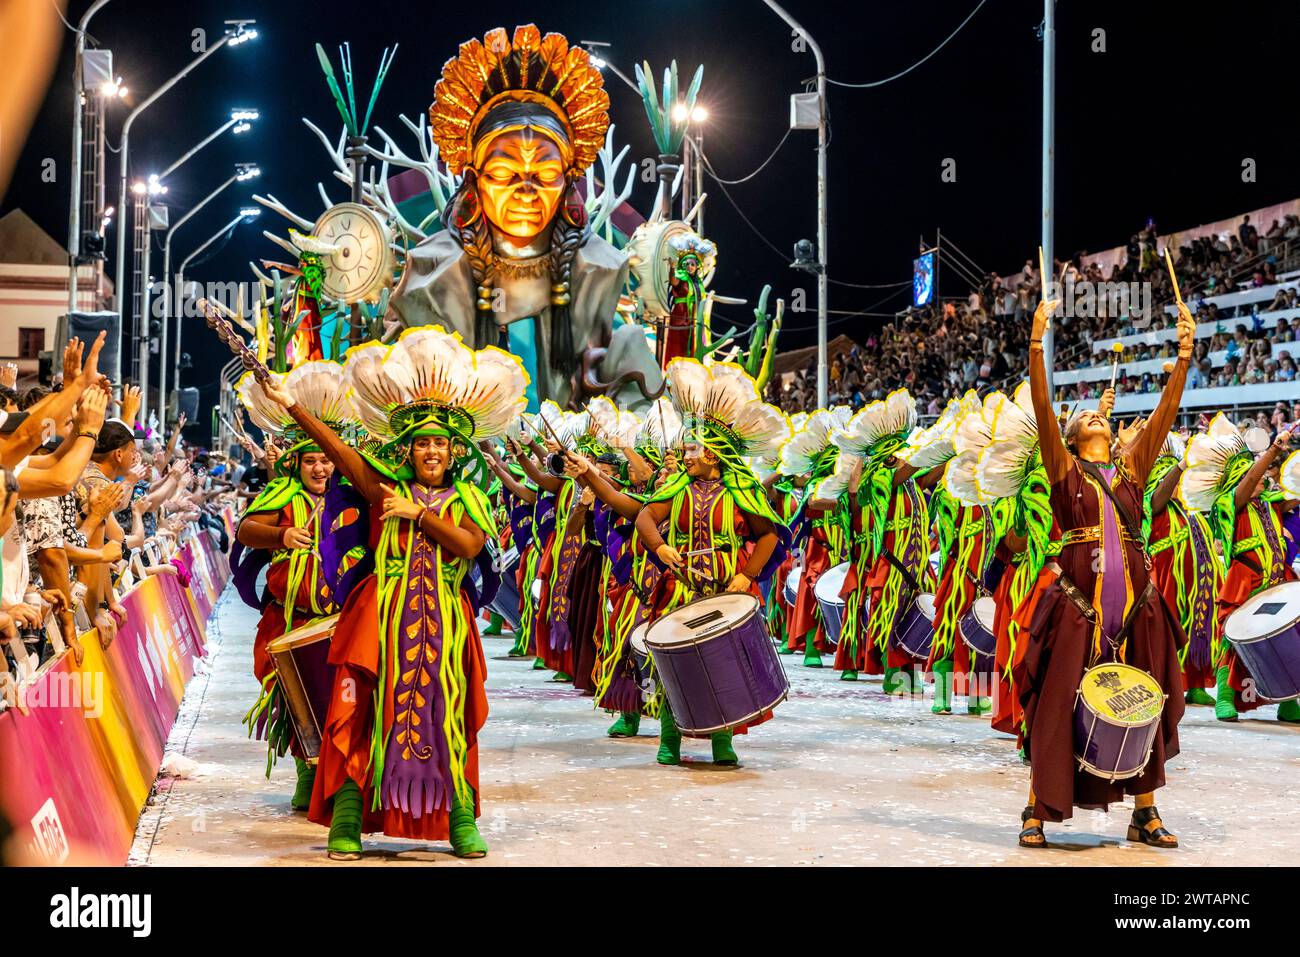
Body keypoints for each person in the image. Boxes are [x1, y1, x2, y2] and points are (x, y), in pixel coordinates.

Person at [254, 327, 527, 860]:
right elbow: (338, 448)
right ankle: (348, 821)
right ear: (408, 448)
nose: (431, 451)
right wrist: (291, 405)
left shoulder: (467, 496)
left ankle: (460, 818)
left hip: (445, 622)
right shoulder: (381, 488)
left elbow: (470, 546)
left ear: (453, 452)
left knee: (445, 716)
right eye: (422, 442)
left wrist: (419, 515)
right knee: (362, 716)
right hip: (380, 619)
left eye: (440, 443)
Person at [1017, 295, 1194, 849]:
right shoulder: (1064, 468)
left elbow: (1164, 417)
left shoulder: (1131, 470)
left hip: (1139, 605)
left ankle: (1144, 812)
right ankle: (1036, 809)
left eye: (1100, 414)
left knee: (1145, 699)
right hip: (1077, 606)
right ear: (1069, 439)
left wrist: (1184, 358)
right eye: (1084, 416)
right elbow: (1045, 407)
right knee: (1055, 703)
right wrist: (1035, 344)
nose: (1094, 414)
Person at [633, 359, 790, 766]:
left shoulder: (741, 489)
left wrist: (747, 574)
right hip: (680, 589)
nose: (685, 455)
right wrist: (661, 548)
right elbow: (645, 517)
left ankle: (723, 741)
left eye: (692, 449)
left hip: (724, 589)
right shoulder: (676, 487)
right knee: (672, 666)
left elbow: (769, 535)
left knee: (722, 666)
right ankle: (670, 738)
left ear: (715, 453)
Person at [232, 362, 352, 808]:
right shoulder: (281, 496)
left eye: (326, 458)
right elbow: (246, 531)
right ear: (295, 464)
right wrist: (281, 536)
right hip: (288, 621)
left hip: (341, 624)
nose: (320, 468)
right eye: (311, 460)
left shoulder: (353, 500)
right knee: (292, 698)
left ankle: (338, 782)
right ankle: (306, 771)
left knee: (341, 700)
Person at [1180, 416, 1298, 722]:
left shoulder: (1270, 502)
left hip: (1277, 578)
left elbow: (1294, 495)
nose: (1259, 477)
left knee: (1287, 639)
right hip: (1245, 579)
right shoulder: (1230, 501)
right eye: (1250, 474)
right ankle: (1225, 694)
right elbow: (1248, 482)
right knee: (1232, 639)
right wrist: (1271, 450)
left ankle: (1288, 700)